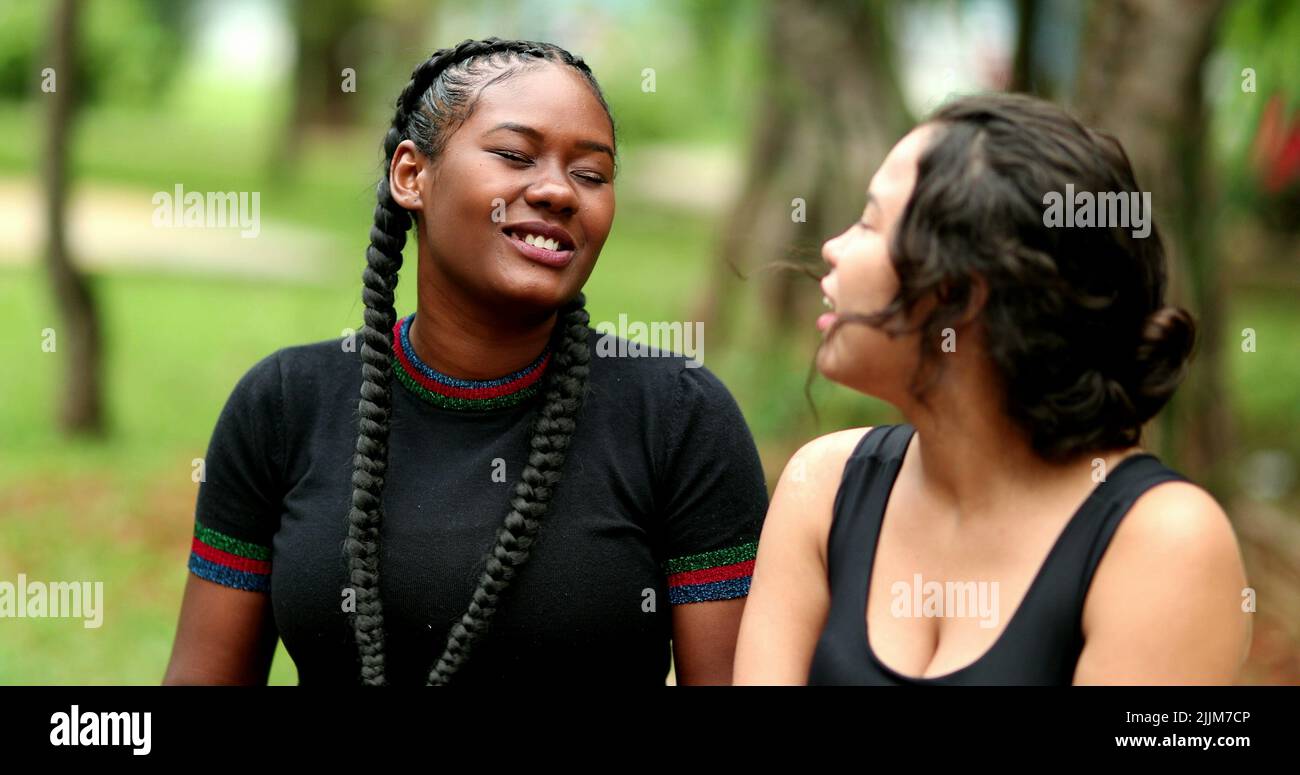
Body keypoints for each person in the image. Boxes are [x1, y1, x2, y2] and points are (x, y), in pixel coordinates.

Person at [164, 38, 768, 686]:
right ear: (411, 176)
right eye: (514, 155)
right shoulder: (284, 405)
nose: (558, 192)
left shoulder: (679, 418)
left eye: (591, 174)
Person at [734, 93, 1251, 685]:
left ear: (961, 293)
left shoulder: (1164, 541)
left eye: (870, 222)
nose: (832, 247)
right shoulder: (821, 487)